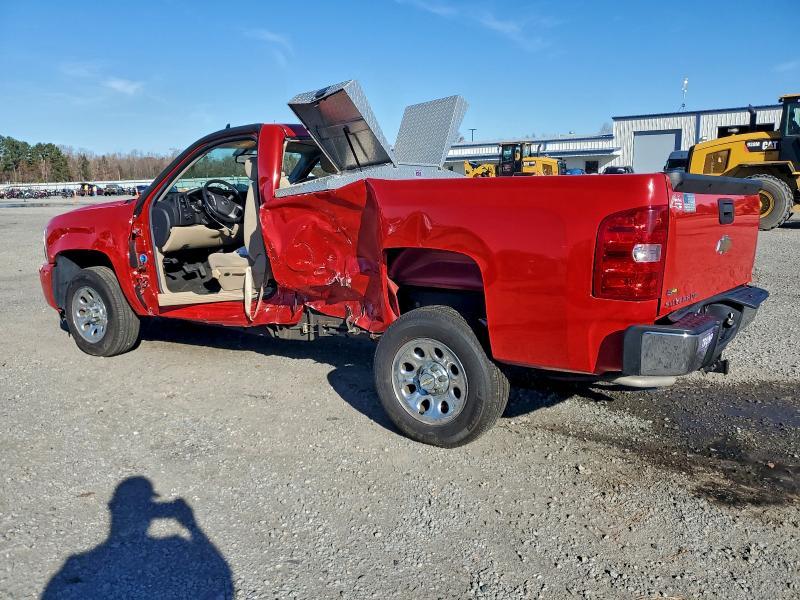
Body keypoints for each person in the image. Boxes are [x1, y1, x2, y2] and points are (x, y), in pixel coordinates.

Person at [42, 477, 233, 599]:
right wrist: (193, 526)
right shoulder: (180, 545)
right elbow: (223, 571)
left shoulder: (74, 564)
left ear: (113, 506)